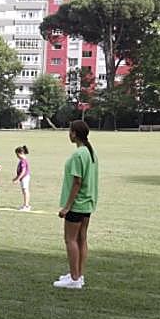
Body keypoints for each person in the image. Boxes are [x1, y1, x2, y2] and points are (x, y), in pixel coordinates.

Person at [54, 121, 99, 289]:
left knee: (70, 239)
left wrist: (67, 206)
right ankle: (78, 275)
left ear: (74, 133)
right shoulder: (90, 152)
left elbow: (77, 182)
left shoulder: (78, 155)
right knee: (81, 239)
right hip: (87, 203)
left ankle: (74, 279)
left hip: (77, 204)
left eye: (70, 131)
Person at [12, 145, 32, 211]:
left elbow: (23, 171)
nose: (17, 156)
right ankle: (26, 205)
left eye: (17, 154)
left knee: (25, 191)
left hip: (25, 177)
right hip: (23, 178)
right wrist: (16, 178)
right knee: (24, 191)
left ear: (20, 153)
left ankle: (26, 205)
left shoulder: (23, 161)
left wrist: (17, 179)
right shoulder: (22, 160)